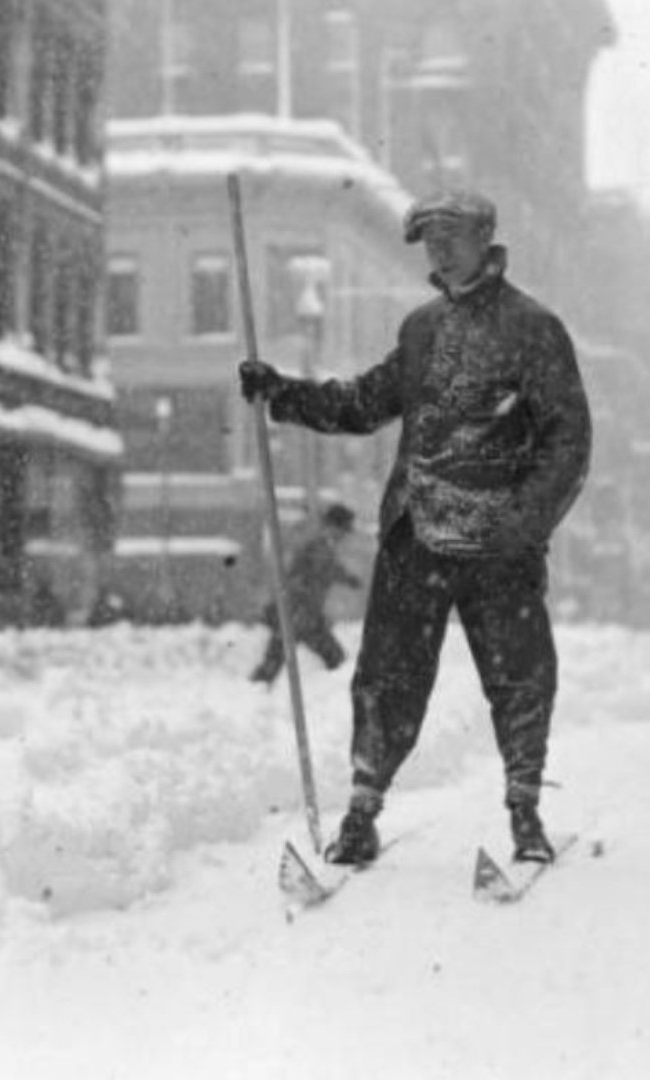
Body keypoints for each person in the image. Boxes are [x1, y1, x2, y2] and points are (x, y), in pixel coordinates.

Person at [238, 189, 592, 866]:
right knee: (386, 678)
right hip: (418, 536)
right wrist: (281, 392)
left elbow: (568, 442)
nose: (437, 249)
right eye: (429, 238)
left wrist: (524, 522)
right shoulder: (421, 331)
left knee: (519, 675)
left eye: (450, 235)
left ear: (486, 240)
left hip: (498, 544)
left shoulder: (534, 330)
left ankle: (525, 809)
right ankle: (363, 812)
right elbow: (364, 403)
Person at [249, 502, 363, 685]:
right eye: (343, 530)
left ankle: (253, 691)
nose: (344, 536)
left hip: (298, 615)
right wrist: (347, 578)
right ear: (333, 526)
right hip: (298, 615)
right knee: (335, 658)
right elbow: (323, 570)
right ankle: (251, 693)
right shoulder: (319, 546)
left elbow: (325, 570)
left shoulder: (322, 546)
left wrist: (348, 578)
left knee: (274, 662)